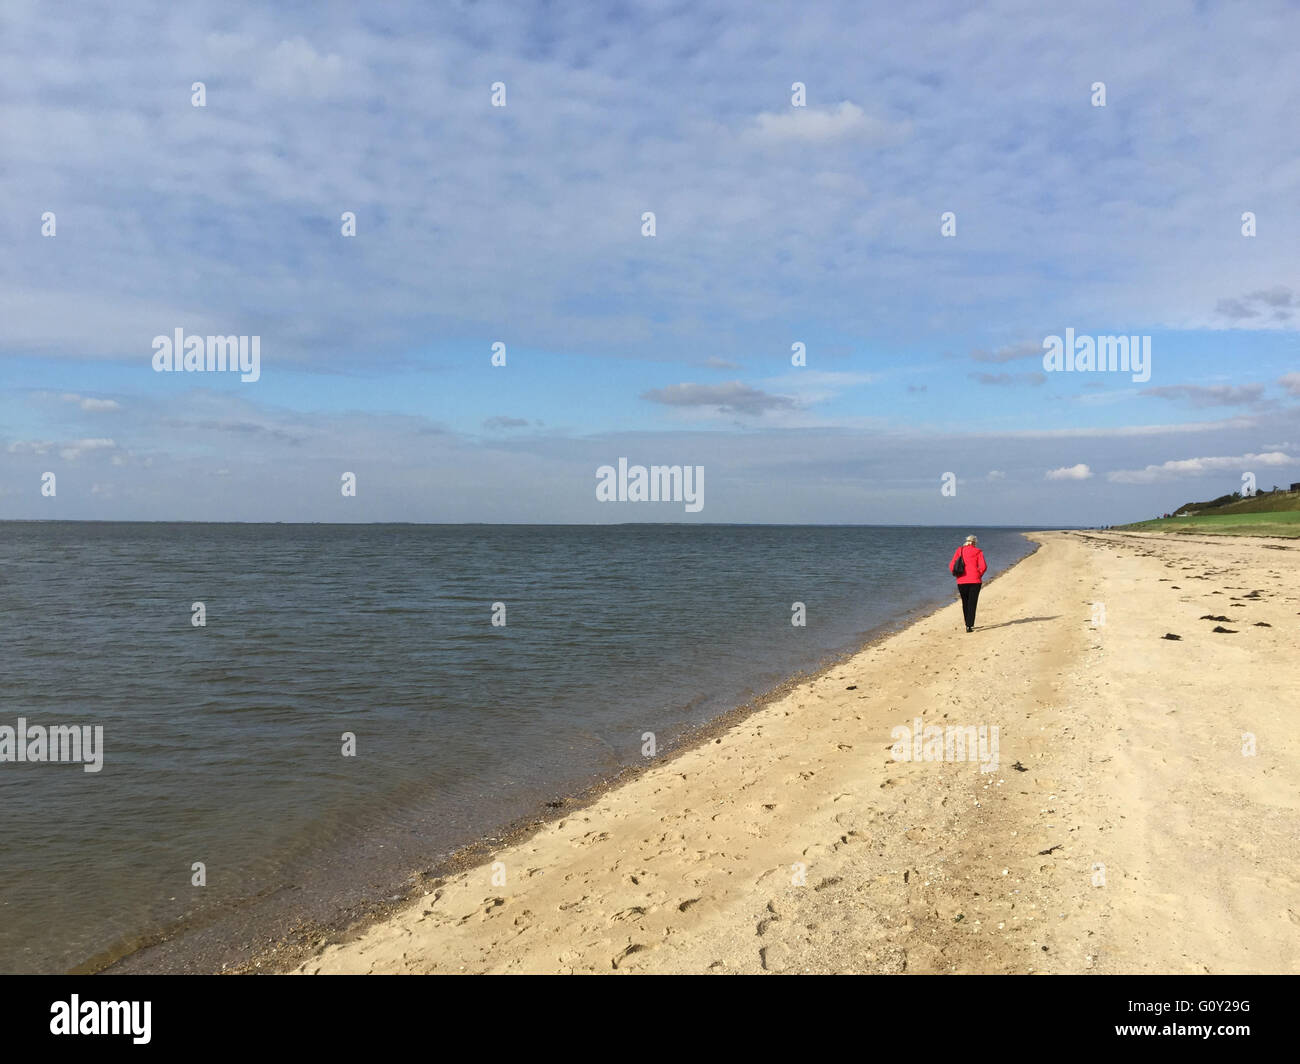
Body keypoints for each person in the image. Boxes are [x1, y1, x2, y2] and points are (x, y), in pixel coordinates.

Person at [950, 534, 988, 632]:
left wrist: (957, 575)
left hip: (961, 581)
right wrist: (978, 575)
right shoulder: (978, 551)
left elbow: (952, 565)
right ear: (974, 542)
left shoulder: (960, 550)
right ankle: (969, 625)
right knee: (972, 603)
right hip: (975, 581)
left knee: (965, 602)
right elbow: (983, 567)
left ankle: (967, 623)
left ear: (967, 541)